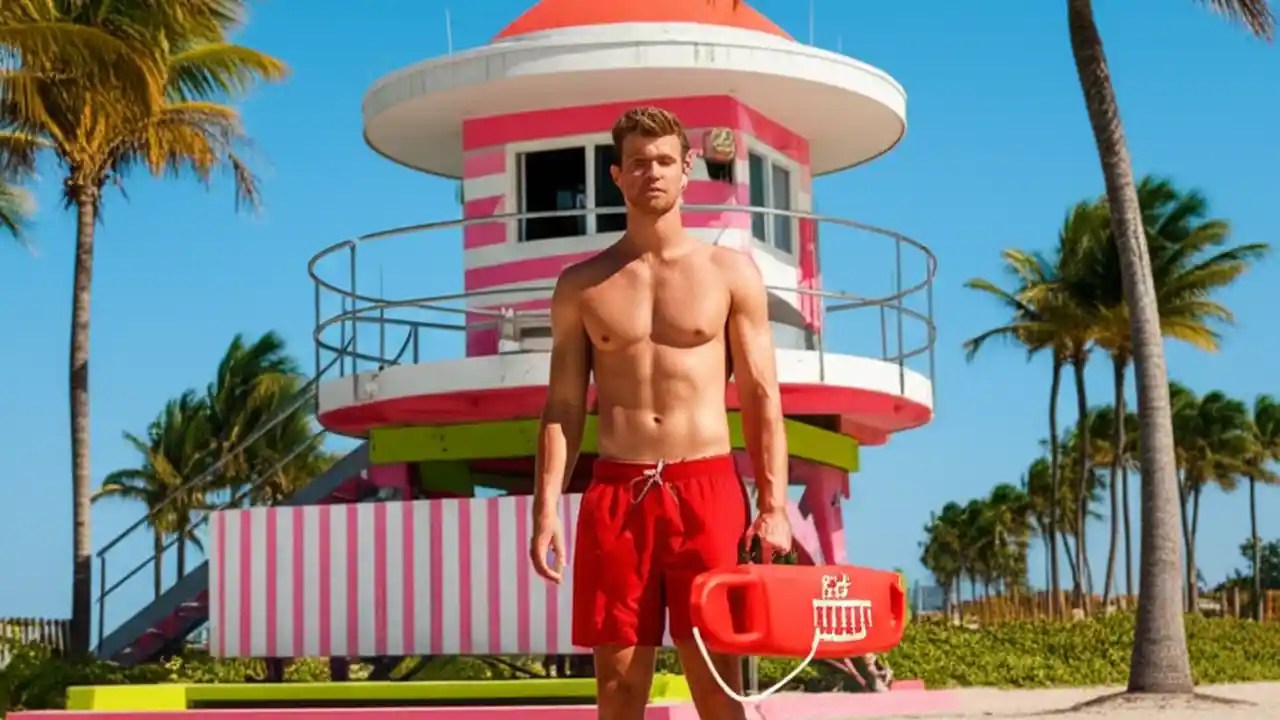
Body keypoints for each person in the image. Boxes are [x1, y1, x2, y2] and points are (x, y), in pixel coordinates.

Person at [528, 106, 794, 720]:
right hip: (618, 495)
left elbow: (760, 394)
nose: (653, 173)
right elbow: (563, 404)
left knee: (716, 684)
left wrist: (775, 506)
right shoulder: (582, 284)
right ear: (617, 176)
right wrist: (546, 507)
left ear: (688, 169)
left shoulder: (729, 272)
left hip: (706, 488)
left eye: (666, 161)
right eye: (639, 163)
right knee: (618, 689)